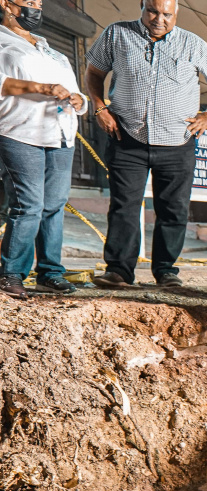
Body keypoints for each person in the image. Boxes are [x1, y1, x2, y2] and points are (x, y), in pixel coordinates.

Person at [83, 0, 207, 289]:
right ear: (142, 7)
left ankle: (166, 271)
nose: (159, 19)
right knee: (124, 206)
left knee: (173, 209)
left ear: (176, 13)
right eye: (153, 11)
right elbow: (94, 73)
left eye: (167, 14)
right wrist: (100, 107)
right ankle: (119, 271)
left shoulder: (193, 44)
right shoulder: (117, 34)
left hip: (177, 141)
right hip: (126, 137)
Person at [0, 0, 89, 298]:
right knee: (29, 205)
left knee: (54, 206)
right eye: (28, 2)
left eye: (38, 2)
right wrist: (42, 87)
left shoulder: (47, 47)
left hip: (61, 135)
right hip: (20, 132)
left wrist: (80, 101)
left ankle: (50, 273)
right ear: (6, 3)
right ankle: (11, 274)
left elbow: (72, 87)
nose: (35, 8)